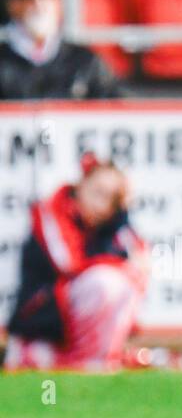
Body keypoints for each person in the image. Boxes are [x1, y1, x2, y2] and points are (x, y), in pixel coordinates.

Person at [5, 154, 149, 371]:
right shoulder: (52, 210)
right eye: (98, 192)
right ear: (82, 184)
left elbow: (140, 260)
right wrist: (116, 265)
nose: (102, 204)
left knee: (128, 281)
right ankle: (46, 355)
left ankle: (95, 359)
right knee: (104, 281)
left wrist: (122, 217)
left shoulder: (112, 225)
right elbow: (68, 264)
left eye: (112, 198)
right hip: (42, 318)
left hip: (72, 325)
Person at [0, 0, 123, 100]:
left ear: (60, 3)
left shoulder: (85, 61)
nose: (40, 4)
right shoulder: (4, 61)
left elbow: (112, 105)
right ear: (13, 5)